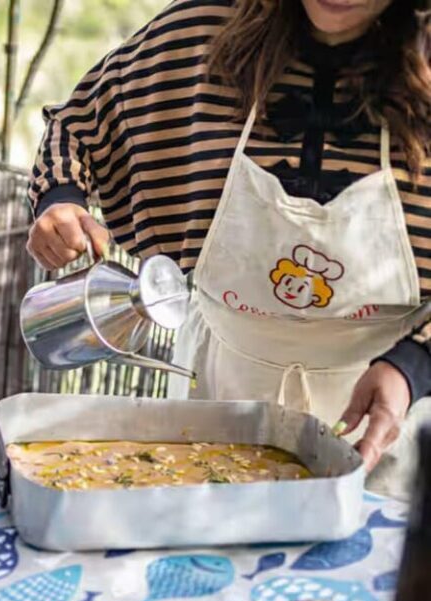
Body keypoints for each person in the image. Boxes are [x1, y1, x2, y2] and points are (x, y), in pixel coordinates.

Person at [28, 0, 430, 498]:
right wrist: (60, 199)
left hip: (387, 411)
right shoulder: (199, 37)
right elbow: (79, 124)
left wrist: (415, 365)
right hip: (222, 392)